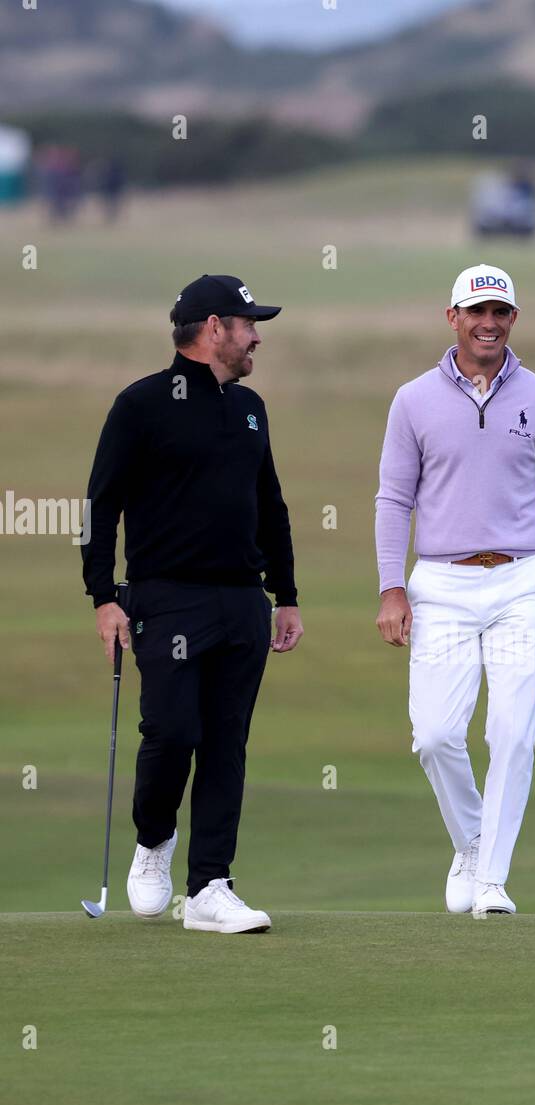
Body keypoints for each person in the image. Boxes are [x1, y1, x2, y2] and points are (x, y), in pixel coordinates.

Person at [81, 274, 303, 934]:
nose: (257, 334)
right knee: (174, 732)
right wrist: (102, 598)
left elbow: (272, 508)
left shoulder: (250, 407)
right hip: (166, 600)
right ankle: (153, 842)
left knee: (226, 745)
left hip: (241, 602)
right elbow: (99, 507)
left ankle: (209, 886)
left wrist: (285, 596)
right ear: (213, 330)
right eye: (248, 323)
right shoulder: (142, 405)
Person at [375, 264, 535, 917]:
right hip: (439, 581)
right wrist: (391, 588)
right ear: (452, 318)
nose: (487, 323)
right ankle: (470, 841)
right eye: (476, 312)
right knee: (435, 735)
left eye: (499, 312)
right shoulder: (412, 399)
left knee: (511, 733)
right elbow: (393, 498)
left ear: (513, 319)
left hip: (522, 578)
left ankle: (491, 878)